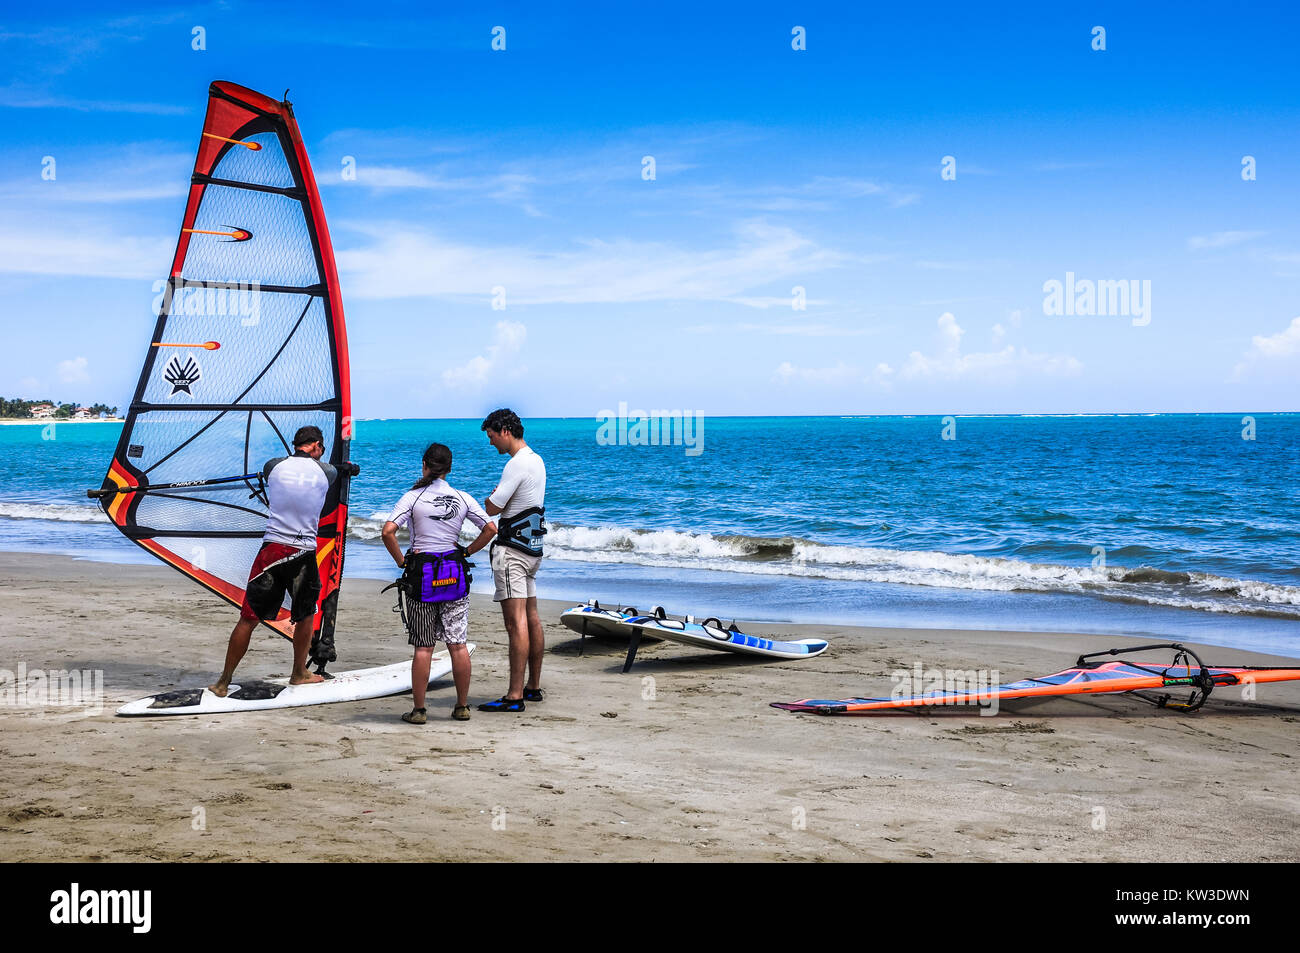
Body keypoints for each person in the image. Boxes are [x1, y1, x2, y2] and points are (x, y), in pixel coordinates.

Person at [210, 425, 339, 697]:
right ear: (316, 445)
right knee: (306, 616)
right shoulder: (327, 472)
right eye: (321, 448)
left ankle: (223, 681)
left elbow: (278, 469)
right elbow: (329, 476)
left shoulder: (273, 466)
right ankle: (299, 672)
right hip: (302, 552)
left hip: (271, 550)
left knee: (247, 619)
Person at [382, 443, 495, 723]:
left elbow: (388, 531)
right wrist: (467, 552)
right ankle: (462, 706)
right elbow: (491, 528)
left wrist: (401, 561)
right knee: (457, 644)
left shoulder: (412, 497)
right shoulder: (462, 497)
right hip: (453, 574)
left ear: (424, 465)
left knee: (424, 647)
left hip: (422, 577)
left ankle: (419, 710)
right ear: (450, 468)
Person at [477, 408, 547, 712]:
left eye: (492, 436)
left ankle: (514, 695)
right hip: (532, 550)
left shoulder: (516, 465)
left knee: (514, 622)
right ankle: (532, 687)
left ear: (505, 430)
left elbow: (492, 507)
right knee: (531, 617)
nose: (491, 443)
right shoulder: (537, 460)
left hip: (512, 553)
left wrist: (490, 497)